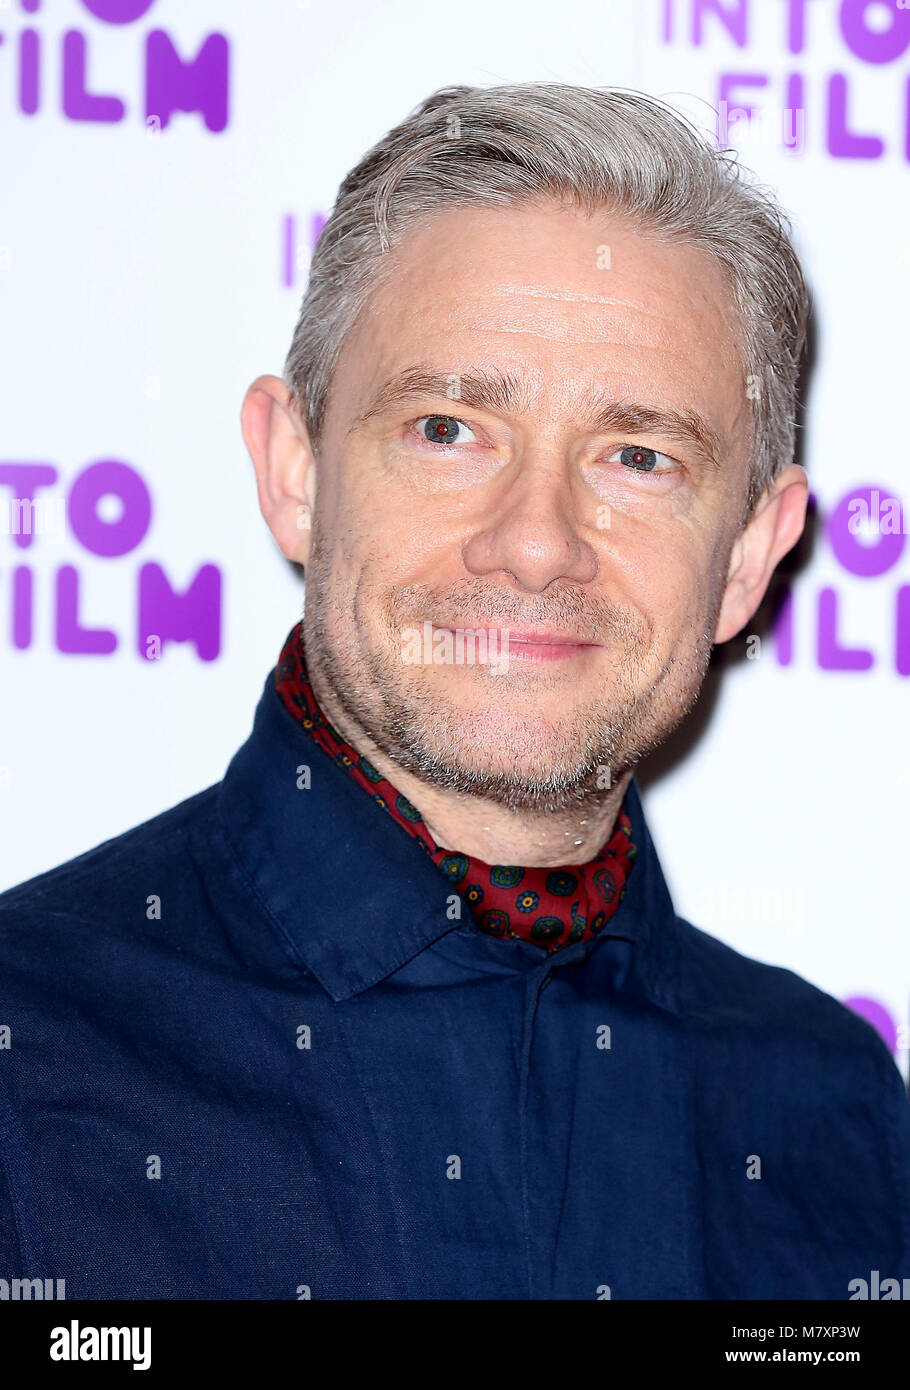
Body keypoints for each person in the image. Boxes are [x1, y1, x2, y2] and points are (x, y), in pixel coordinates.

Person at [1, 82, 907, 1300]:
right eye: (446, 428)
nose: (535, 543)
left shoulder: (834, 1114)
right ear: (294, 470)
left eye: (638, 458)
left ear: (747, 554)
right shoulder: (28, 1044)